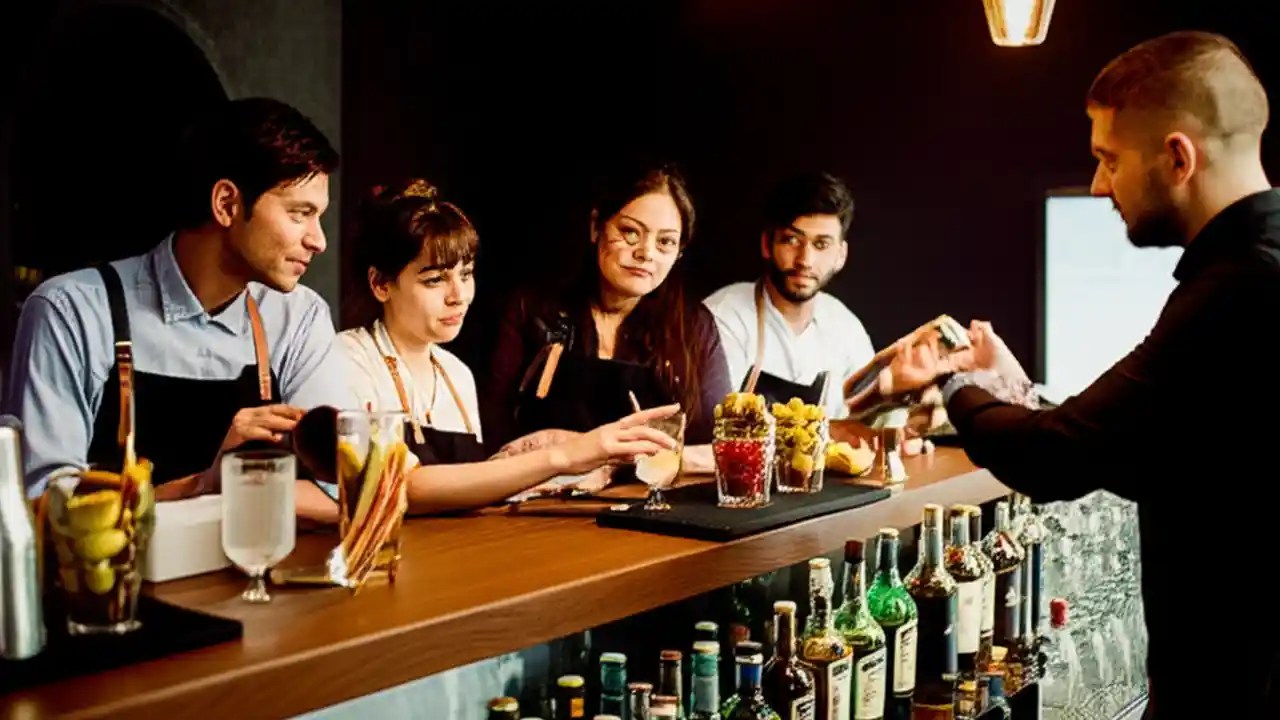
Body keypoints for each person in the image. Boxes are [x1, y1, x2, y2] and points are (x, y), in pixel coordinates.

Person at [886, 31, 1280, 719]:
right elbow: (1147, 439)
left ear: (1178, 157)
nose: (1099, 184)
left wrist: (952, 389)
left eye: (1108, 159)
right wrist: (1013, 391)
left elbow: (1062, 455)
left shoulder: (1239, 289)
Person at [3, 97, 347, 521]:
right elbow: (45, 508)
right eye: (300, 214)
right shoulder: (70, 310)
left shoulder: (299, 316)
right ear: (226, 204)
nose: (319, 240)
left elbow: (339, 490)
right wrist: (204, 487)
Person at [339, 178, 680, 514]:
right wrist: (567, 454)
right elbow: (398, 487)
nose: (459, 296)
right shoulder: (349, 361)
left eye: (466, 274)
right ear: (381, 284)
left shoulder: (455, 375)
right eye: (435, 280)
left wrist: (532, 454)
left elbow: (470, 489)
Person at [483, 160, 731, 469]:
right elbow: (492, 437)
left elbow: (724, 447)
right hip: (537, 504)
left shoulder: (693, 327)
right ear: (596, 226)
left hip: (651, 505)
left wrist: (629, 458)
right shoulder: (532, 310)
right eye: (630, 232)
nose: (646, 253)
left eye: (665, 242)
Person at [703, 172, 875, 428]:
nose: (805, 260)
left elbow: (872, 418)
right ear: (766, 244)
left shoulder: (845, 326)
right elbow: (713, 426)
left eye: (821, 244)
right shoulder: (722, 317)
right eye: (791, 240)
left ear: (841, 255)